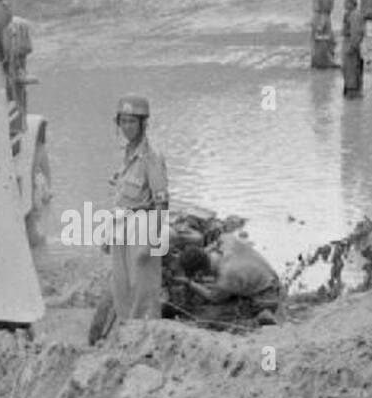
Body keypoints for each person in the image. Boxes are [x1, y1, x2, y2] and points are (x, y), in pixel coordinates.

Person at [105, 94, 169, 323]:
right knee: (121, 288)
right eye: (123, 121)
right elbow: (120, 198)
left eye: (132, 122)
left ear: (143, 124)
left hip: (143, 228)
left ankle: (147, 340)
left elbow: (161, 202)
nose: (126, 127)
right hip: (121, 226)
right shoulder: (127, 155)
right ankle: (125, 336)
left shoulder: (151, 157)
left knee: (144, 290)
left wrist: (152, 241)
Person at [180, 230, 283, 326]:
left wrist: (190, 283)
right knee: (237, 282)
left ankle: (262, 314)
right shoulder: (227, 240)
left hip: (268, 296)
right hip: (270, 276)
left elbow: (213, 297)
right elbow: (218, 240)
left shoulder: (226, 278)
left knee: (214, 316)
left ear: (200, 273)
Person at [341, 0, 365, 97]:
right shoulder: (349, 14)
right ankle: (350, 90)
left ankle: (353, 91)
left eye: (346, 2)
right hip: (348, 42)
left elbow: (356, 32)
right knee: (347, 67)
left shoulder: (354, 15)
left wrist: (353, 46)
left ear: (351, 4)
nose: (344, 4)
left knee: (351, 68)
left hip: (350, 43)